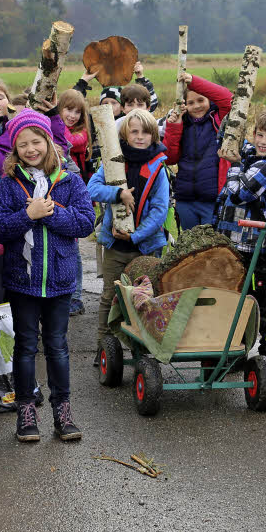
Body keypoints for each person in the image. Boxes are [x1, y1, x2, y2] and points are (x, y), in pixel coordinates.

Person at [0, 111, 94, 442]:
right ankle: (26, 412)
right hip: (22, 282)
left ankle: (62, 412)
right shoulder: (8, 185)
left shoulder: (70, 181)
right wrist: (28, 214)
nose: (30, 149)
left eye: (36, 141)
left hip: (61, 280)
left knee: (57, 347)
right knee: (24, 347)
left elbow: (85, 223)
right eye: (22, 144)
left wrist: (52, 214)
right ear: (14, 148)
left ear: (49, 142)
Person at [88, 110, 170, 364]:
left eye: (146, 132)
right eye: (134, 131)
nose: (140, 136)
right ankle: (104, 347)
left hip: (145, 246)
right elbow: (92, 187)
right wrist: (118, 194)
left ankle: (145, 350)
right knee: (108, 296)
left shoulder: (158, 167)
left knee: (145, 297)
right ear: (124, 133)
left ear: (154, 134)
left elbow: (160, 210)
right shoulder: (113, 160)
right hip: (115, 245)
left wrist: (136, 236)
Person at [214, 109, 266, 361]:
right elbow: (231, 144)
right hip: (232, 243)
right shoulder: (254, 153)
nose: (263, 141)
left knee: (261, 299)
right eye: (259, 134)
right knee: (233, 297)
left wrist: (235, 165)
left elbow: (240, 193)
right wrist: (231, 124)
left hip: (254, 246)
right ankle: (234, 349)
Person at [163, 73, 233, 229]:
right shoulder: (183, 124)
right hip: (185, 199)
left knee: (211, 247)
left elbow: (227, 99)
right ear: (185, 105)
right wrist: (174, 127)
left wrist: (194, 82)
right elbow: (169, 158)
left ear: (209, 100)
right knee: (190, 247)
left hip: (212, 199)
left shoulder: (219, 121)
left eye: (201, 100)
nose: (196, 106)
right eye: (191, 102)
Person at [57, 88, 91, 316]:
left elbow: (67, 142)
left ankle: (76, 297)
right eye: (68, 109)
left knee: (74, 250)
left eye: (77, 112)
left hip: (74, 195)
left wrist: (52, 123)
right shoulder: (57, 129)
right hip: (56, 194)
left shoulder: (81, 135)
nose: (72, 116)